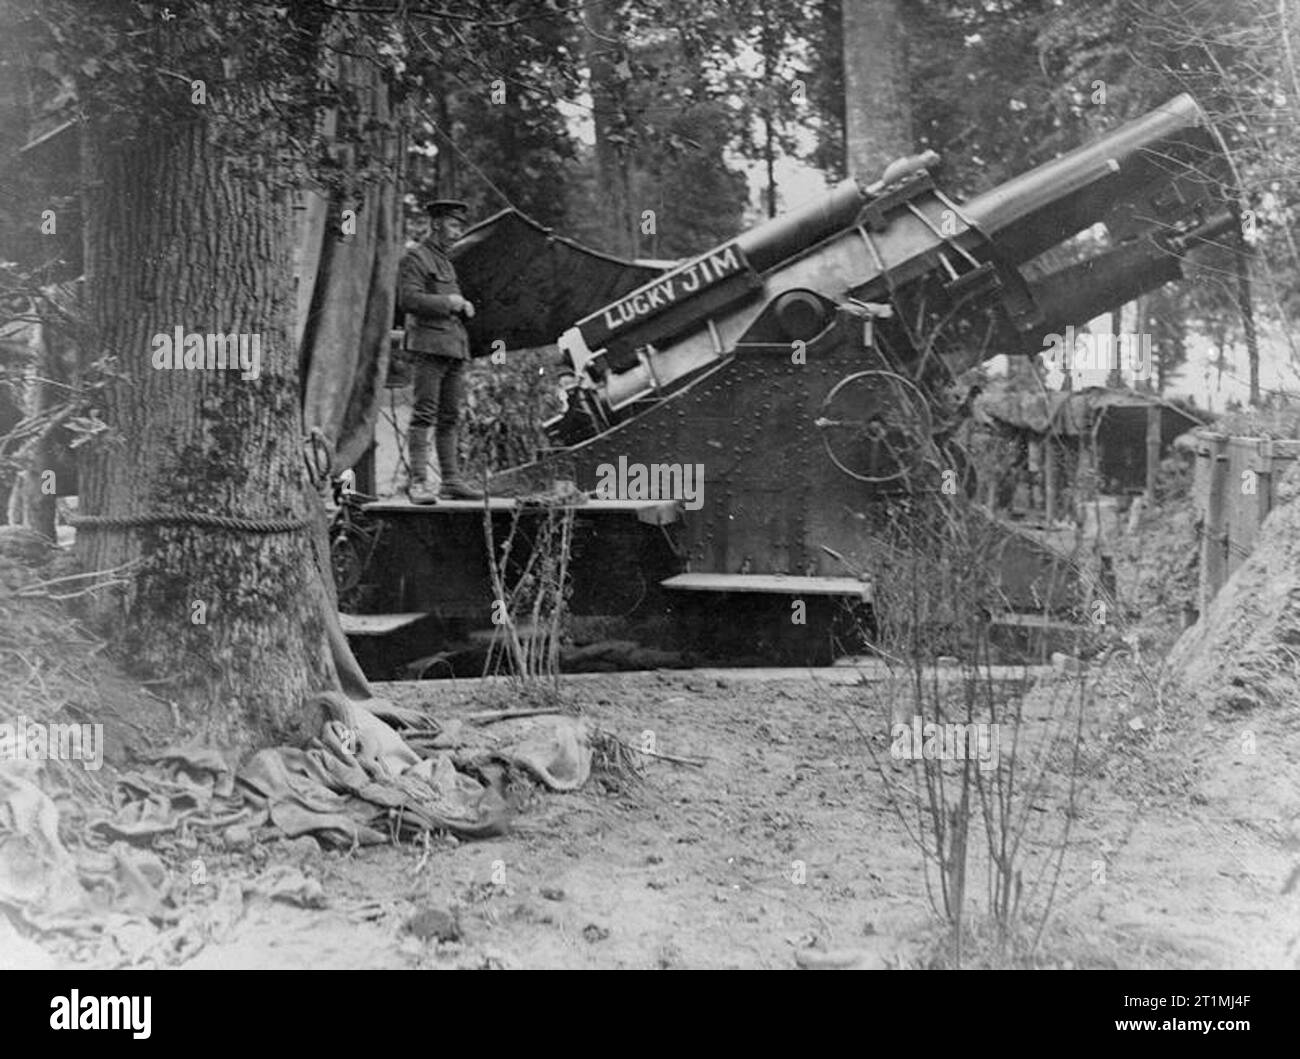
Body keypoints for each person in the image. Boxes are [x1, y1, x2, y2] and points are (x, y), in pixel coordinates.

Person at [396, 198, 485, 503]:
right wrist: (450, 303)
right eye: (453, 225)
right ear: (436, 224)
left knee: (450, 416)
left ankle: (451, 480)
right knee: (424, 414)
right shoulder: (415, 258)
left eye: (460, 226)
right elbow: (408, 300)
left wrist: (463, 306)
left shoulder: (445, 261)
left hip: (453, 348)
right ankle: (419, 483)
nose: (458, 232)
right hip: (429, 347)